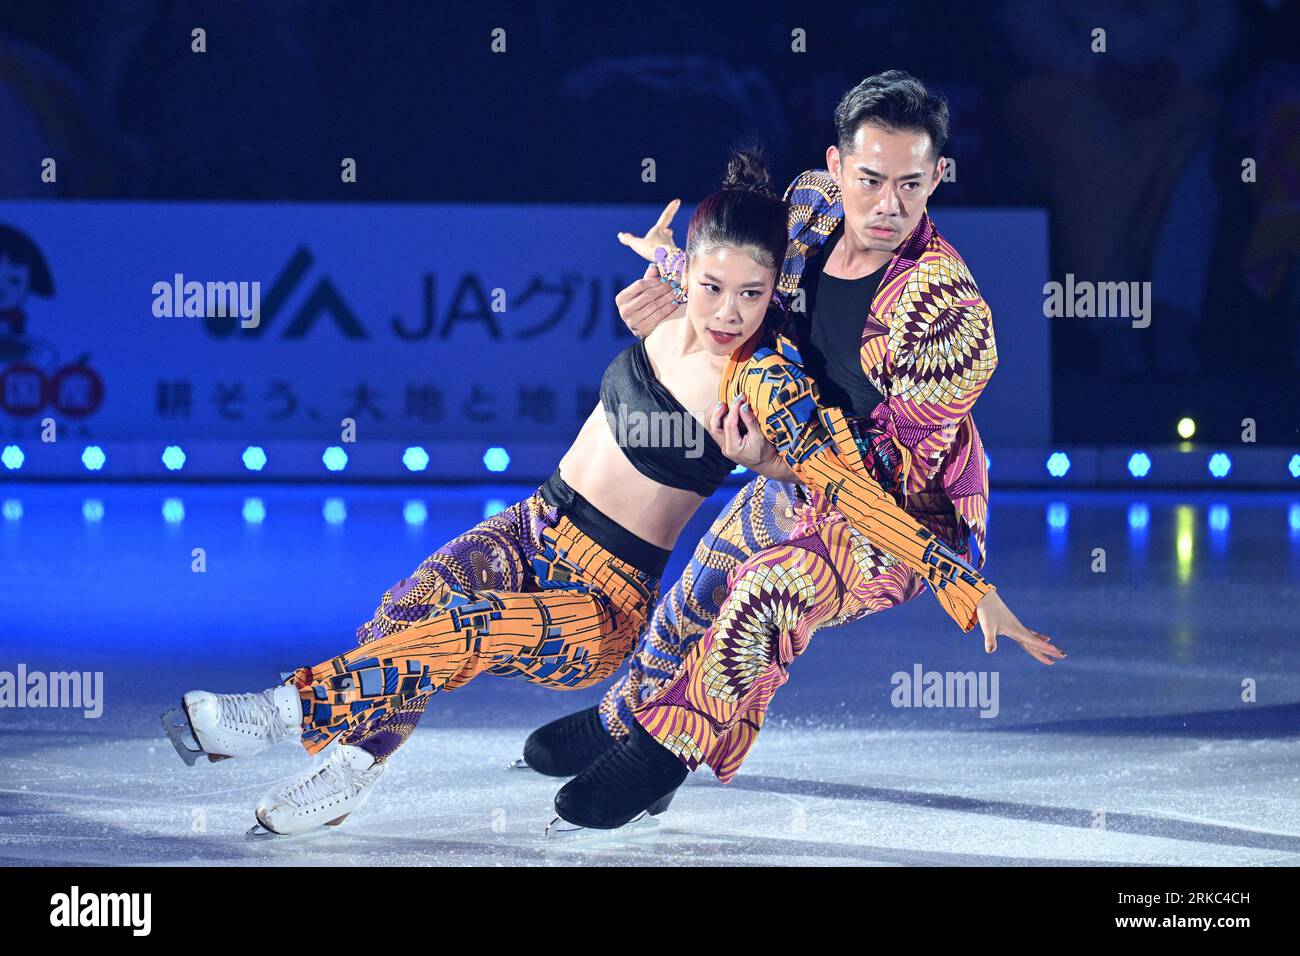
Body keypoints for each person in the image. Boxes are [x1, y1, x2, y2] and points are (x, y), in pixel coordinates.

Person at [162, 148, 1039, 837]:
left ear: (778, 293)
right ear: (685, 269)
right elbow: (672, 264)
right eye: (711, 286)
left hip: (601, 599)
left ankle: (276, 711)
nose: (728, 311)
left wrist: (961, 577)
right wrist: (661, 267)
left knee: (460, 634)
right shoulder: (664, 306)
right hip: (533, 524)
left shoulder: (768, 381)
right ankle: (354, 768)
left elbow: (850, 488)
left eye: (752, 294)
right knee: (410, 608)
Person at [529, 70, 1057, 799]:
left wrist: (965, 586)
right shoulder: (808, 205)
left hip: (899, 518)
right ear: (837, 167)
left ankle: (662, 751)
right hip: (793, 467)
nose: (888, 205)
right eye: (870, 179)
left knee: (769, 590)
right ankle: (627, 713)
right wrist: (677, 286)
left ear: (937, 176)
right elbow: (747, 286)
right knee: (693, 597)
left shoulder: (950, 316)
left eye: (911, 184)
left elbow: (881, 487)